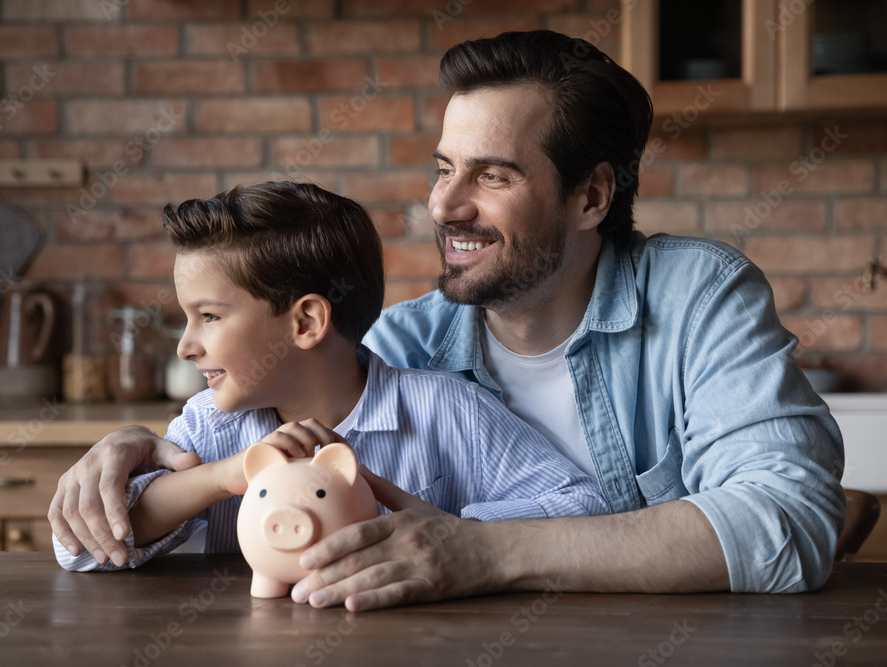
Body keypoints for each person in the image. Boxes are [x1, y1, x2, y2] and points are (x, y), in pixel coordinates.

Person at [49, 31, 845, 608]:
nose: (444, 205)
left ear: (591, 197)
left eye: (491, 174)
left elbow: (787, 523)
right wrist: (134, 448)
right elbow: (256, 438)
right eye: (442, 169)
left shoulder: (698, 294)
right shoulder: (400, 345)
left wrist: (485, 550)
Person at [52, 181, 607, 572]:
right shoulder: (212, 429)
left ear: (307, 321)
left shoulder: (449, 410)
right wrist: (223, 479)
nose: (186, 345)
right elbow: (80, 550)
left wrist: (443, 525)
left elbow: (583, 507)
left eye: (210, 316)